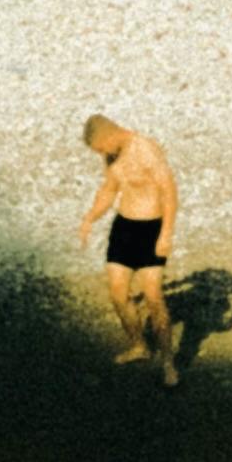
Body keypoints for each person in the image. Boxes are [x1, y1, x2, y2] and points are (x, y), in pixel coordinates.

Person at [76, 113, 182, 387]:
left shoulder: (145, 148)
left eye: (100, 148)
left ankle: (169, 362)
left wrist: (166, 234)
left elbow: (169, 191)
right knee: (118, 293)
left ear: (109, 136)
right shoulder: (111, 155)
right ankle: (139, 345)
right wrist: (90, 218)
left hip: (151, 229)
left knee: (154, 297)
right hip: (124, 228)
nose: (101, 154)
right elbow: (109, 190)